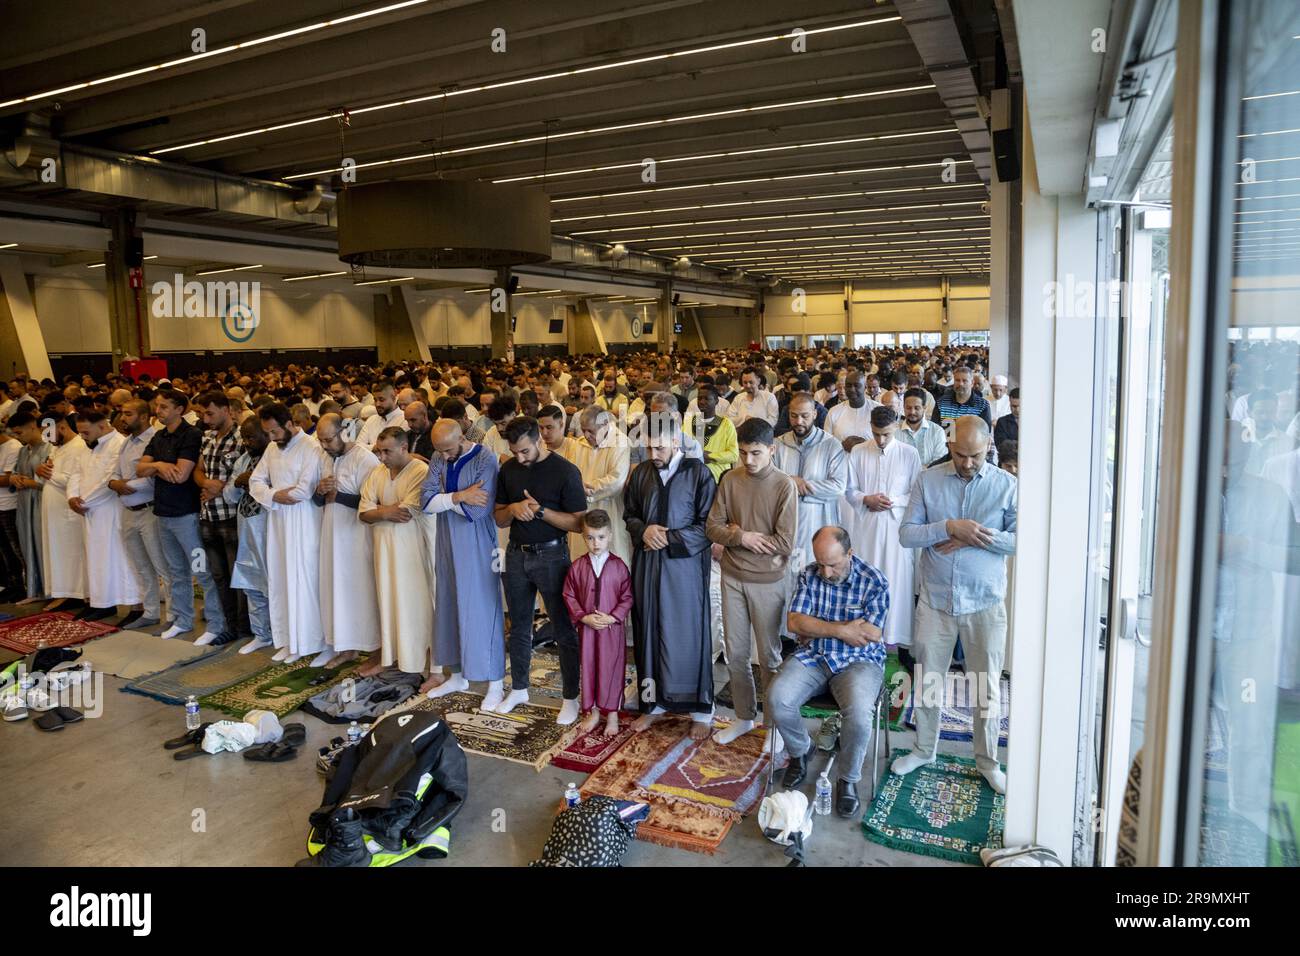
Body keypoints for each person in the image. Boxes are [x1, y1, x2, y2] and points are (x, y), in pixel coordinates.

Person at [896, 415, 1017, 794]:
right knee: (929, 680)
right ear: (949, 446)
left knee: (986, 687)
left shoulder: (1007, 485)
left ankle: (988, 762)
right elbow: (907, 535)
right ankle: (923, 749)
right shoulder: (928, 480)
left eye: (975, 456)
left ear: (988, 447)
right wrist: (948, 527)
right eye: (961, 455)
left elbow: (1023, 538)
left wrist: (974, 535)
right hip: (935, 600)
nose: (967, 463)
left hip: (985, 603)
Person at [769, 526, 890, 816]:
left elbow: (871, 633)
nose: (824, 572)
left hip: (859, 661)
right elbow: (795, 623)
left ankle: (847, 779)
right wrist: (843, 630)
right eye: (820, 563)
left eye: (832, 564)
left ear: (850, 553)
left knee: (859, 714)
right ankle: (801, 751)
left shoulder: (874, 580)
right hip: (814, 656)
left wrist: (817, 627)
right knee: (776, 698)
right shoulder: (808, 574)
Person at [623, 412, 717, 740]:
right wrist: (643, 531)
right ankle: (653, 705)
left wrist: (670, 538)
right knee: (648, 629)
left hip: (684, 567)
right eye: (649, 448)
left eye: (660, 448)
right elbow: (629, 514)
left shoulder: (698, 473)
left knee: (688, 632)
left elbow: (708, 525)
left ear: (676, 442)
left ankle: (700, 711)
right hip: (648, 562)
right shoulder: (642, 473)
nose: (653, 454)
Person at [706, 417, 798, 750]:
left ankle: (773, 724)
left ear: (772, 450)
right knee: (736, 654)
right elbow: (712, 528)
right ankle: (744, 717)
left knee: (769, 657)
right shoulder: (731, 479)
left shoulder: (784, 485)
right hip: (732, 576)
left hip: (768, 582)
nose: (748, 460)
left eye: (756, 453)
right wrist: (742, 536)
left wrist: (737, 535)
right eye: (743, 453)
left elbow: (785, 542)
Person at [493, 416, 588, 723]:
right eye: (514, 452)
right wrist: (513, 509)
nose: (520, 458)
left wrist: (541, 511)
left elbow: (579, 523)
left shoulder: (565, 471)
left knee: (563, 627)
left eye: (525, 451)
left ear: (538, 440)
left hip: (552, 554)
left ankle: (571, 696)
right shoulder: (509, 469)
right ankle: (519, 688)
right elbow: (499, 518)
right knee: (519, 626)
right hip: (516, 554)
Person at [419, 418, 506, 708]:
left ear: (461, 438)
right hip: (446, 539)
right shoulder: (438, 456)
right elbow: (425, 501)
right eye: (439, 451)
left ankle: (495, 682)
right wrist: (459, 496)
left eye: (448, 449)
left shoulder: (485, 458)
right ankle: (457, 675)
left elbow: (478, 510)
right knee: (448, 604)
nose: (443, 456)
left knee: (483, 608)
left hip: (478, 540)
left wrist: (446, 500)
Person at [138, 390, 227, 643]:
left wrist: (156, 468)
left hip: (187, 515)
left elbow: (181, 474)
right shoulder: (159, 436)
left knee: (202, 571)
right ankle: (183, 619)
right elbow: (140, 469)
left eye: (164, 406)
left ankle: (216, 623)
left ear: (179, 409)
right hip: (163, 513)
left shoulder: (191, 435)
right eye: (157, 406)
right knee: (176, 571)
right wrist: (159, 465)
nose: (158, 411)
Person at [248, 402, 325, 663]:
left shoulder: (311, 447)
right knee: (280, 579)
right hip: (278, 519)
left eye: (275, 431)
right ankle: (288, 640)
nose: (271, 437)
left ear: (290, 424)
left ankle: (309, 641)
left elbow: (304, 490)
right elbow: (255, 481)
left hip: (304, 521)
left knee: (303, 580)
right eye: (267, 432)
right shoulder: (272, 448)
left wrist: (274, 495)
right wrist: (273, 495)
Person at [359, 427, 434, 679]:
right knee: (388, 603)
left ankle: (420, 660)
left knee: (414, 605)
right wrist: (384, 511)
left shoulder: (420, 471)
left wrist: (377, 510)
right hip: (383, 551)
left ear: (404, 448)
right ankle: (391, 657)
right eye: (379, 451)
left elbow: (405, 512)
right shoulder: (378, 472)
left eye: (387, 452)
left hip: (411, 552)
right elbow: (363, 513)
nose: (381, 457)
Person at [844, 406, 921, 646]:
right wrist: (866, 499)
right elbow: (849, 490)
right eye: (876, 434)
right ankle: (865, 639)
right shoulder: (858, 451)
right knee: (866, 582)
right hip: (867, 529)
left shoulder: (909, 454)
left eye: (886, 434)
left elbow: (916, 493)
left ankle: (894, 642)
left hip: (897, 531)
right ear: (870, 427)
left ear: (896, 426)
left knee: (896, 583)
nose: (881, 440)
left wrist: (893, 501)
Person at [314, 413, 381, 668]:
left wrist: (338, 496)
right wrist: (319, 491)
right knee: (337, 592)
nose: (324, 445)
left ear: (344, 432)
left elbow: (374, 502)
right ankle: (346, 647)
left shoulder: (365, 459)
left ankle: (375, 650)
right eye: (321, 440)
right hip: (332, 537)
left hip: (357, 537)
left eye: (328, 439)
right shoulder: (325, 457)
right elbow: (318, 500)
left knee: (361, 592)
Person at [562, 509, 634, 737]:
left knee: (611, 668)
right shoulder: (578, 566)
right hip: (587, 629)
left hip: (612, 630)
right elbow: (569, 594)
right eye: (590, 538)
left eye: (601, 537)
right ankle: (592, 711)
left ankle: (612, 713)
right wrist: (583, 616)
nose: (596, 543)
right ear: (584, 537)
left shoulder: (619, 566)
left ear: (610, 535)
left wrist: (613, 617)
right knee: (589, 667)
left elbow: (627, 596)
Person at [67, 409, 140, 620]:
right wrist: (72, 497)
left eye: (85, 432)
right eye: (80, 432)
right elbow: (76, 473)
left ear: (101, 426)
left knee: (120, 559)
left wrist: (84, 501)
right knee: (95, 559)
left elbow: (109, 480)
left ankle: (135, 607)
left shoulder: (119, 444)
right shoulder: (86, 445)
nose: (82, 436)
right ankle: (101, 603)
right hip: (88, 511)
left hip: (109, 509)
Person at [193, 393, 245, 646]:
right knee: (219, 576)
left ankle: (245, 627)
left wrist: (221, 487)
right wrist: (206, 483)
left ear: (226, 410)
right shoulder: (208, 438)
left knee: (237, 577)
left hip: (231, 516)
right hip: (208, 515)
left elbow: (248, 474)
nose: (206, 418)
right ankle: (229, 625)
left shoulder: (241, 438)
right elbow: (198, 469)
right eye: (203, 413)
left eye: (210, 413)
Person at [110, 400, 165, 628]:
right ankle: (150, 612)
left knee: (162, 566)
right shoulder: (127, 442)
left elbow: (154, 479)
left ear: (143, 416)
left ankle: (174, 617)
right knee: (141, 566)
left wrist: (126, 485)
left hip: (149, 509)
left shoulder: (156, 439)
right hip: (128, 510)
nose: (123, 418)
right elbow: (114, 473)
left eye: (128, 413)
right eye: (123, 414)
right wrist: (114, 483)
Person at [225, 418, 275, 656]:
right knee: (251, 585)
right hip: (246, 529)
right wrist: (238, 481)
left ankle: (281, 634)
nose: (246, 442)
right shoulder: (243, 460)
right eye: (244, 437)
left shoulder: (275, 460)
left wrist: (258, 483)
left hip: (268, 531)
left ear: (266, 435)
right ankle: (261, 635)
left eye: (251, 437)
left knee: (273, 585)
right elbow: (229, 496)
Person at [39, 414, 90, 612]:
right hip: (54, 511)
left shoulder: (78, 446)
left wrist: (47, 472)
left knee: (70, 553)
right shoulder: (57, 447)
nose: (47, 439)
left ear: (61, 427)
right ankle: (62, 592)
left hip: (68, 511)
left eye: (48, 433)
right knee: (58, 552)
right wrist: (43, 470)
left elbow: (73, 480)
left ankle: (74, 594)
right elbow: (49, 474)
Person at [575, 406, 632, 563]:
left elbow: (616, 481)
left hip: (610, 509)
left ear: (605, 424)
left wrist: (584, 490)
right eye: (583, 430)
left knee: (612, 558)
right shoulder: (579, 444)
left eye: (591, 431)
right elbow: (571, 474)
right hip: (582, 509)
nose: (586, 435)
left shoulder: (621, 442)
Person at [8, 411, 51, 601]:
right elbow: (15, 473)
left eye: (19, 433)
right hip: (25, 503)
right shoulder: (23, 450)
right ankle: (35, 589)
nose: (17, 437)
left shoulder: (49, 447)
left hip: (42, 501)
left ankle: (51, 590)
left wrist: (29, 482)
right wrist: (14, 478)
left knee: (43, 545)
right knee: (27, 544)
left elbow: (53, 480)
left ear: (33, 427)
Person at [684, 383, 738, 483]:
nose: (702, 402)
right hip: (692, 476)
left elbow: (734, 455)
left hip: (716, 477)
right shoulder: (688, 422)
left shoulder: (726, 424)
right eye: (700, 398)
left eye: (707, 399)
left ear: (716, 401)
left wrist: (710, 456)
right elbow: (680, 449)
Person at [824, 371, 879, 453]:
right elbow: (826, 444)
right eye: (849, 385)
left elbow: (888, 443)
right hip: (841, 459)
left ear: (865, 387)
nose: (852, 389)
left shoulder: (878, 410)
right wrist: (842, 446)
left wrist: (866, 445)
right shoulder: (833, 412)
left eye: (857, 385)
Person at [931, 365, 993, 433]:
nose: (960, 384)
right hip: (946, 439)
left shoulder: (983, 405)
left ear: (972, 383)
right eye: (957, 380)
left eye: (964, 381)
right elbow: (934, 430)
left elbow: (986, 433)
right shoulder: (942, 402)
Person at [897, 386, 948, 467]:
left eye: (917, 408)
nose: (912, 412)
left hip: (931, 475)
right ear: (903, 407)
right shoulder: (894, 431)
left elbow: (939, 462)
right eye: (908, 408)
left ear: (924, 408)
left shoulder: (937, 431)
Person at [0, 428, 22, 602]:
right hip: (1, 505)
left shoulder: (13, 446)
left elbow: (10, 479)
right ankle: (12, 585)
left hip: (10, 505)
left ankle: (23, 586)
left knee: (16, 549)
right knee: (5, 550)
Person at [357, 380, 407, 449]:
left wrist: (369, 447)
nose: (377, 404)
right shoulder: (371, 419)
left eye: (381, 400)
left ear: (393, 398)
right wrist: (376, 448)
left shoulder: (404, 419)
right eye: (375, 400)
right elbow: (358, 446)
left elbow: (394, 449)